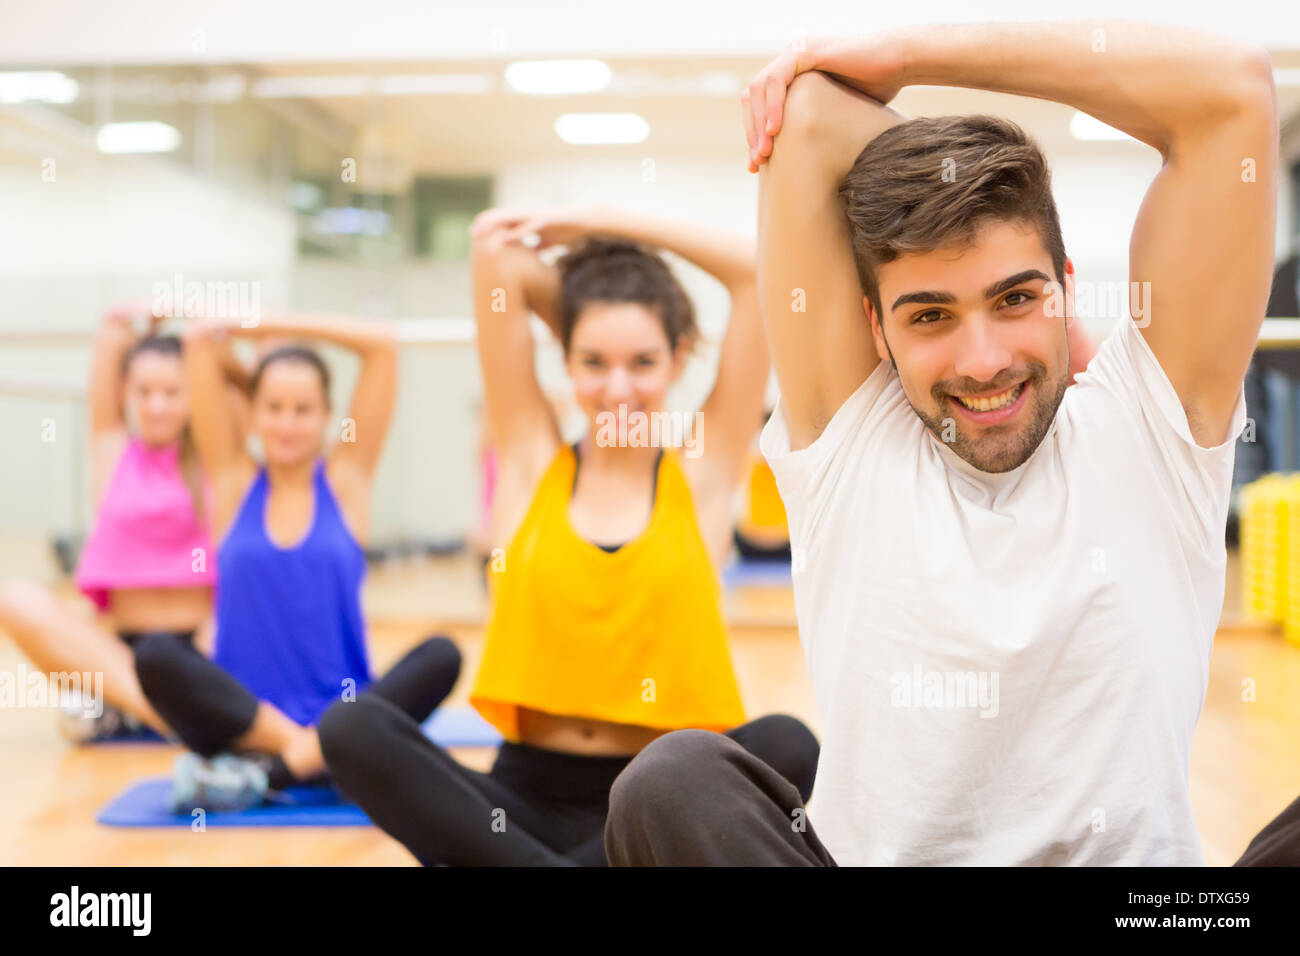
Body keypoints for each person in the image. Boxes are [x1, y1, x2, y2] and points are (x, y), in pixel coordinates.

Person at [605, 21, 1287, 865]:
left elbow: (1232, 87)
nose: (984, 360)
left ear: (1065, 290)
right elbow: (811, 117)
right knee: (674, 781)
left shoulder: (1151, 423)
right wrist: (959, 174)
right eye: (930, 315)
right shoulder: (850, 443)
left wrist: (905, 60)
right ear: (875, 331)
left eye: (1015, 297)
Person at [318, 206, 820, 865]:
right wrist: (599, 279)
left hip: (656, 795)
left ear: (678, 358)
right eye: (593, 361)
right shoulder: (530, 458)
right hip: (518, 804)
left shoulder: (703, 470)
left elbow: (754, 277)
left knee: (788, 743)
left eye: (642, 361)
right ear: (566, 360)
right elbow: (493, 253)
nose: (617, 388)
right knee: (352, 727)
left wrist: (600, 224)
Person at [130, 311, 454, 809]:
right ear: (253, 413)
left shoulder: (348, 482)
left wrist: (271, 324)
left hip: (344, 718)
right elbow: (198, 344)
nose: (285, 423)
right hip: (241, 727)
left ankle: (269, 775)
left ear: (328, 416)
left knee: (442, 655)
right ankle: (305, 758)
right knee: (154, 654)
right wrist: (241, 353)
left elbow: (383, 345)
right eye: (273, 407)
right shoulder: (234, 480)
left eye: (303, 409)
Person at [0, 302, 246, 741]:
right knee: (15, 599)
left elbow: (239, 384)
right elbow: (112, 329)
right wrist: (150, 317)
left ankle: (176, 714)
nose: (156, 405)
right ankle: (170, 718)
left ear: (196, 395)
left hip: (203, 649)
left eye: (173, 392)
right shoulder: (112, 448)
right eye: (144, 391)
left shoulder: (217, 457)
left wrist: (195, 329)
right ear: (125, 393)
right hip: (123, 656)